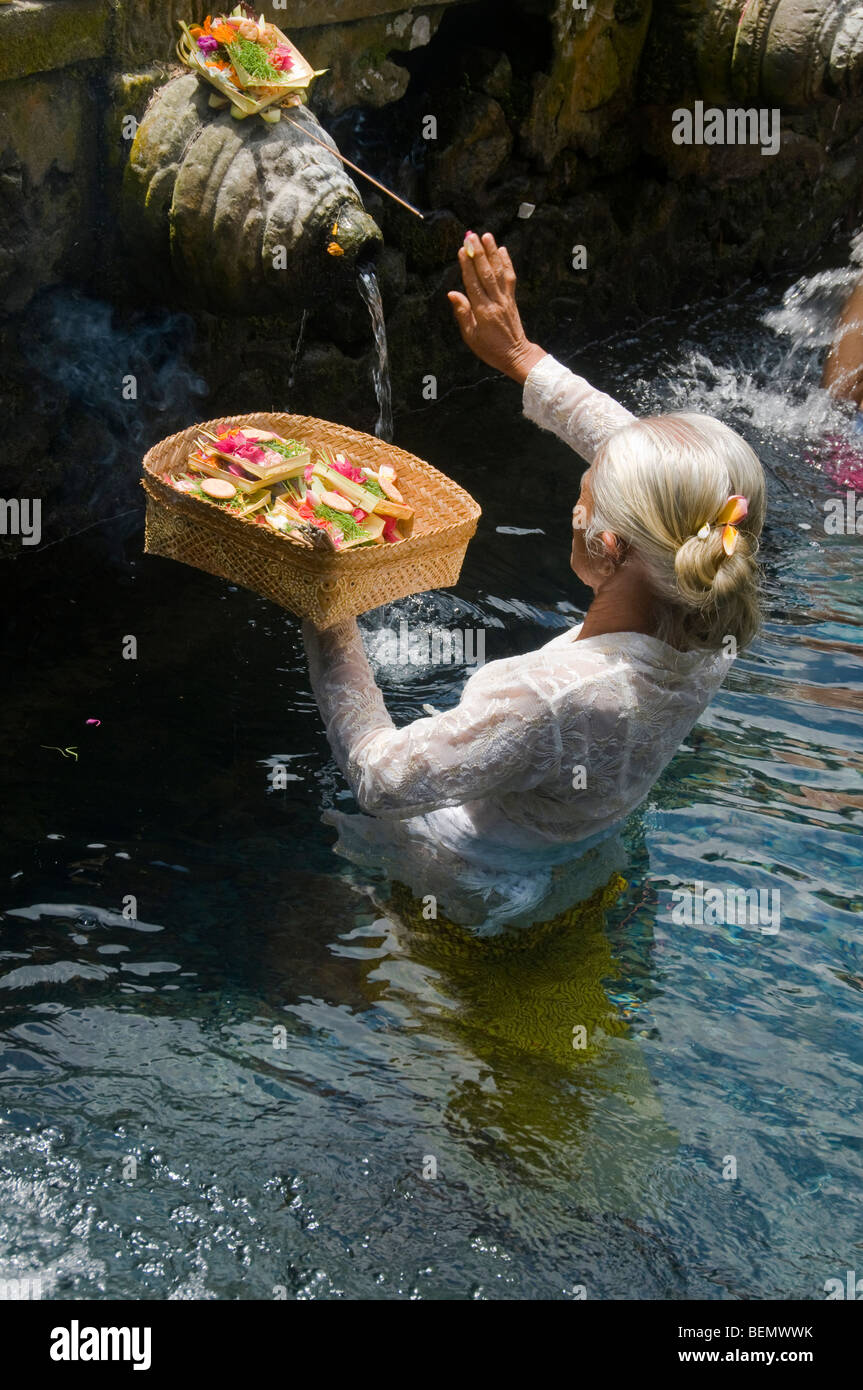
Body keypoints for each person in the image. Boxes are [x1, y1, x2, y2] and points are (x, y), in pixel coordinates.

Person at [301, 232, 766, 930]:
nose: (571, 506)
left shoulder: (541, 697)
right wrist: (522, 358)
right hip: (579, 858)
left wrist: (327, 611)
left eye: (578, 499)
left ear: (606, 549)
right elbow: (659, 467)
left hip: (464, 887)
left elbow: (381, 780)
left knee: (305, 938)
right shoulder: (715, 598)